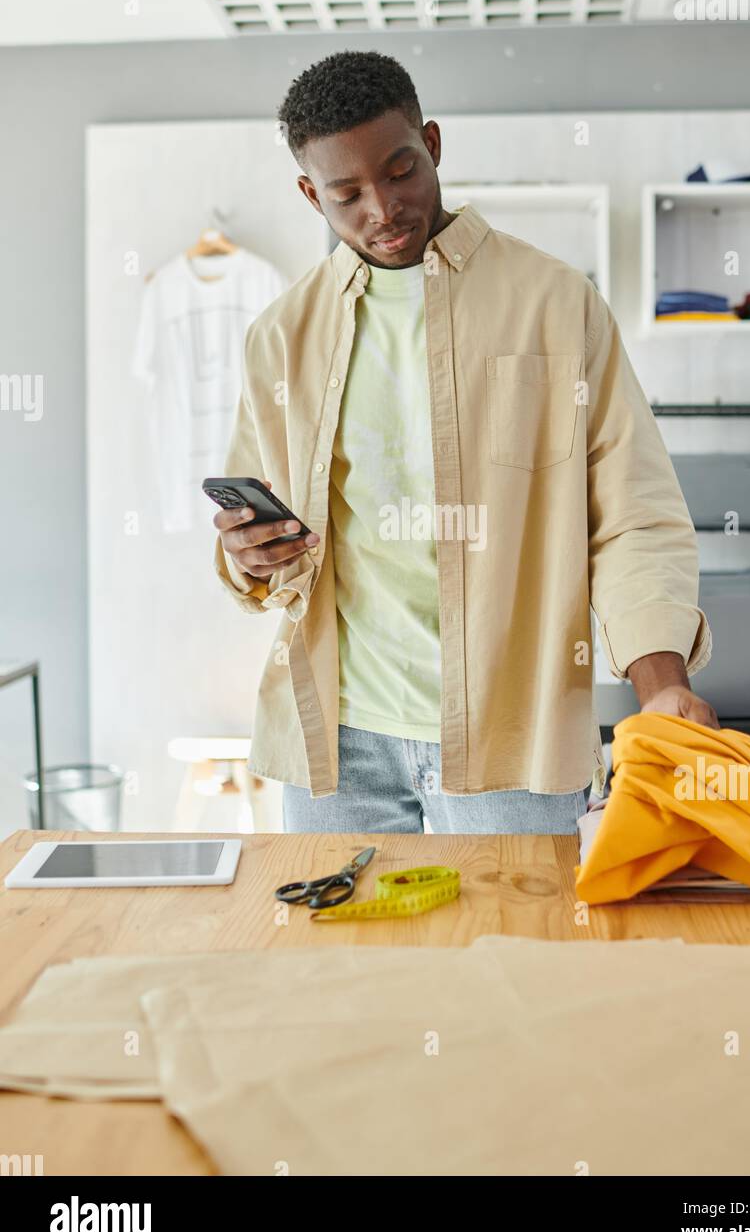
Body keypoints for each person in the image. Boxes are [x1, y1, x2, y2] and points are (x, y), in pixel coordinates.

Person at [212, 49, 717, 836]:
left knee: (513, 960)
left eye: (401, 169)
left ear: (433, 144)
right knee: (341, 963)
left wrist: (661, 683)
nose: (383, 208)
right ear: (312, 194)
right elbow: (255, 538)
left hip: (512, 737)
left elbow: (632, 512)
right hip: (338, 749)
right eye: (347, 194)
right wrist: (249, 556)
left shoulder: (556, 303)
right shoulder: (280, 335)